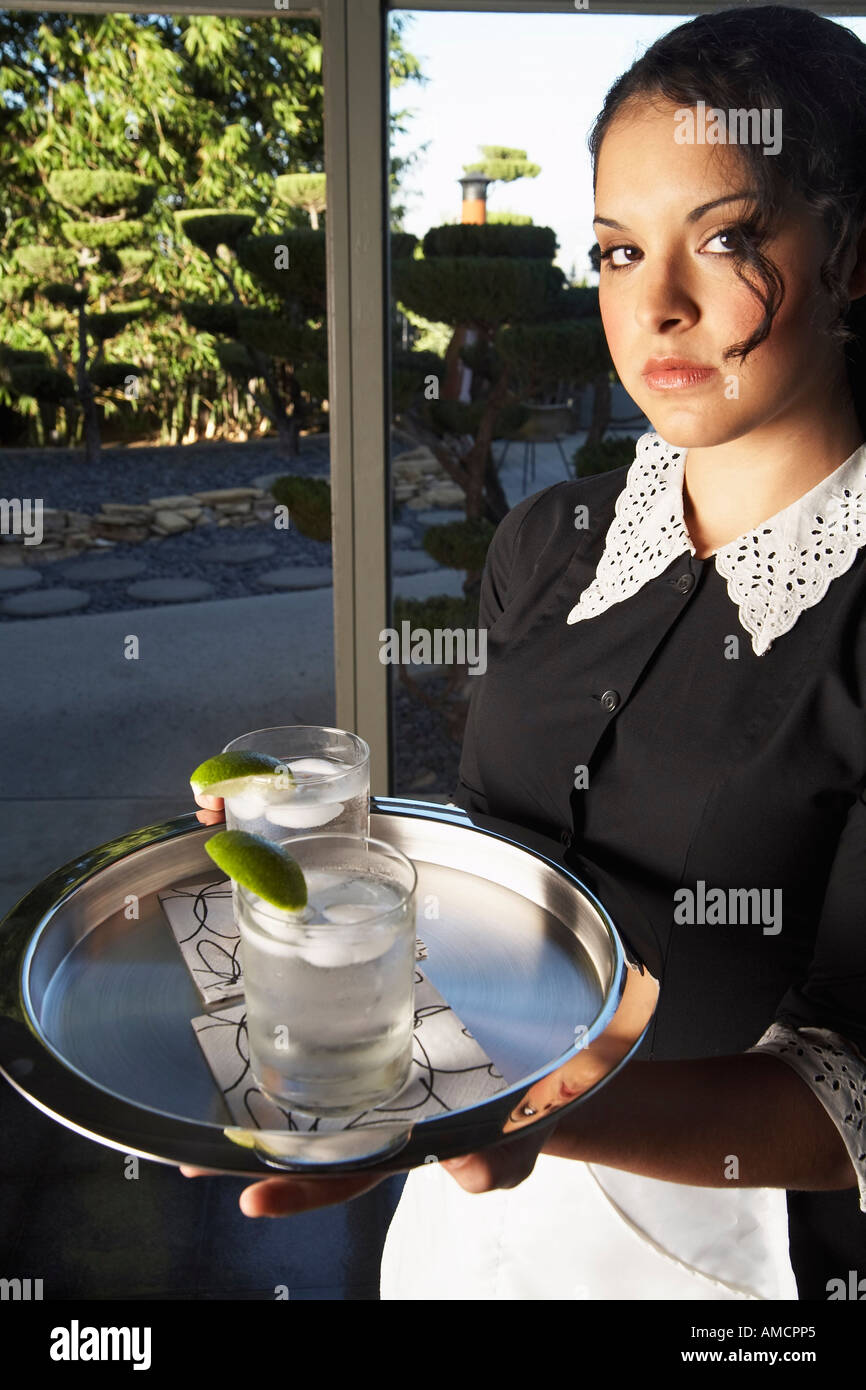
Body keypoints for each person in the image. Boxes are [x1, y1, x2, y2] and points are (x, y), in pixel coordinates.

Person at [187, 5, 866, 1300]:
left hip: (730, 1256)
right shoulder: (551, 542)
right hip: (467, 1207)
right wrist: (335, 845)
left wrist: (505, 1113)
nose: (654, 304)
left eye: (723, 239)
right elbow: (507, 850)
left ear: (850, 256)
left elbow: (852, 1092)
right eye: (615, 250)